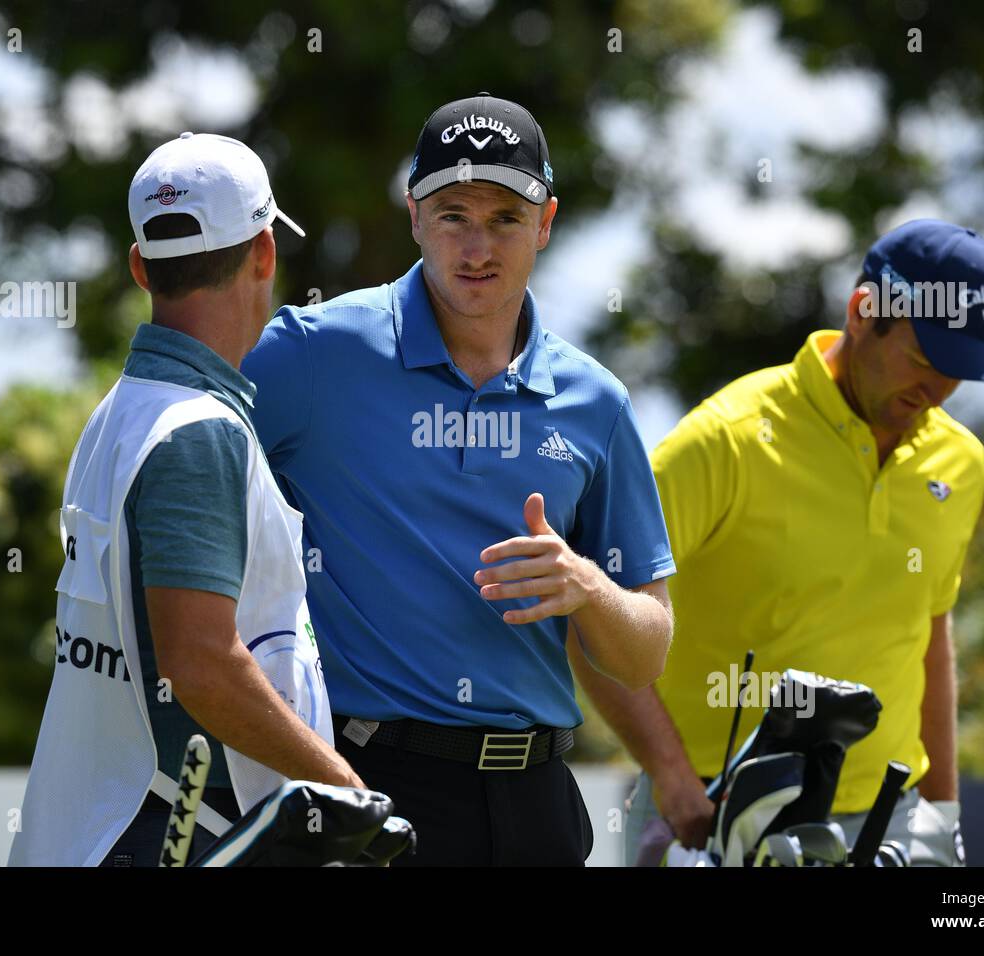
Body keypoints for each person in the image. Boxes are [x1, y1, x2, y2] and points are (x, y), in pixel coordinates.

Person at [240, 93, 676, 866]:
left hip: (539, 803)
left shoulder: (596, 401)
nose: (477, 245)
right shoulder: (312, 354)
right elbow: (180, 459)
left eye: (506, 218)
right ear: (414, 216)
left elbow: (645, 653)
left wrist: (585, 586)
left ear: (544, 225)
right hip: (365, 784)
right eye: (452, 215)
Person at [575, 219, 984, 867]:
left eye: (961, 371)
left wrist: (943, 813)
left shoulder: (960, 462)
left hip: (889, 823)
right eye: (926, 359)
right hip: (711, 817)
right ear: (864, 312)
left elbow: (931, 632)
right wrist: (671, 777)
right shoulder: (725, 439)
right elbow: (592, 615)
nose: (939, 390)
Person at [9, 132, 363, 868]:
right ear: (264, 253)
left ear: (141, 265)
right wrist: (343, 790)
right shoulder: (197, 430)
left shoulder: (123, 410)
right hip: (159, 841)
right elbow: (199, 662)